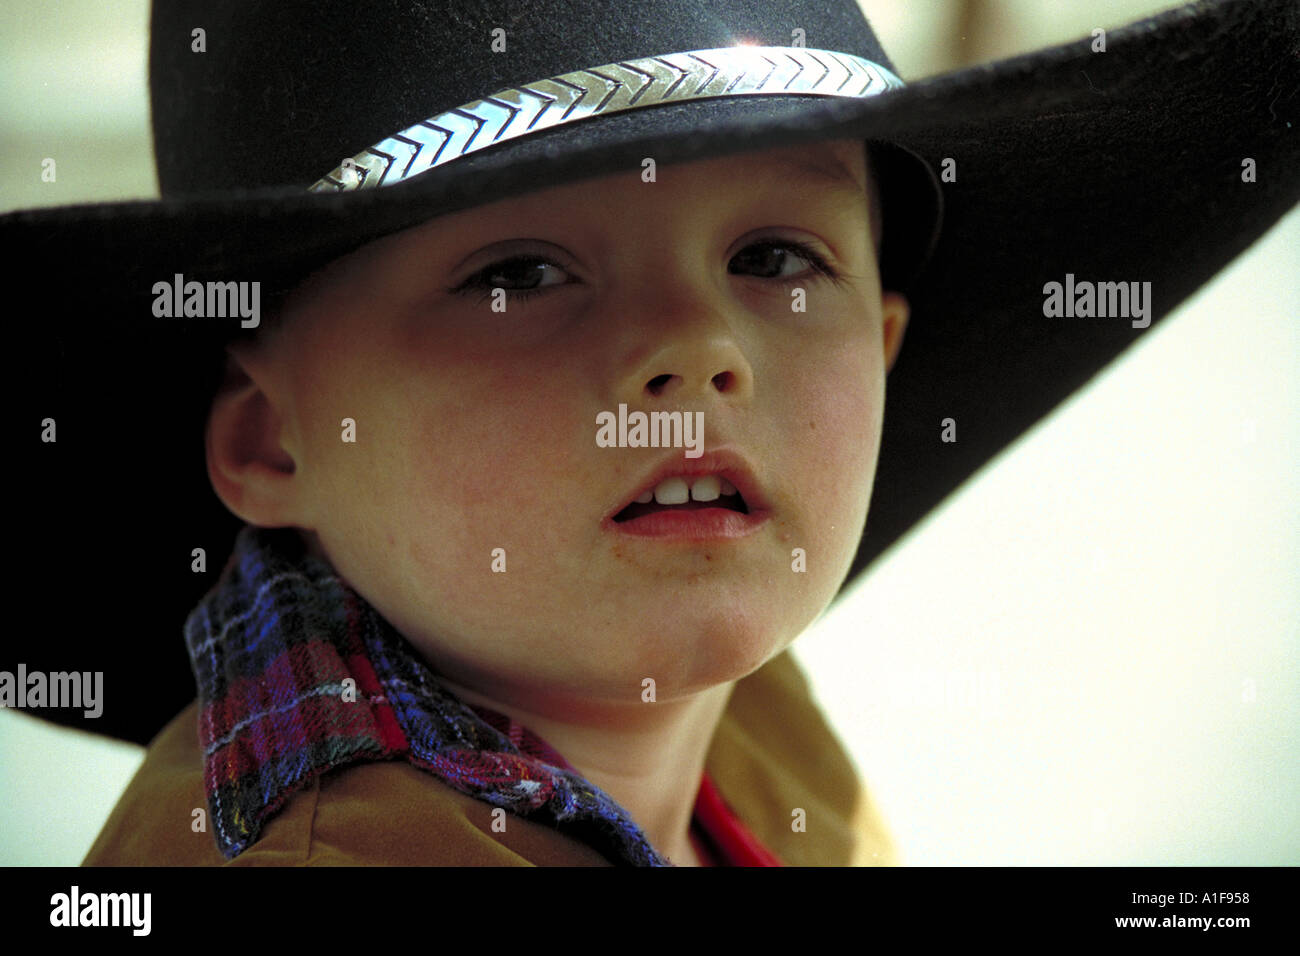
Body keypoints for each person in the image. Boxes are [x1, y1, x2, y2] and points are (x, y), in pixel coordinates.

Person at [5, 0, 1296, 866]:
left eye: (776, 255)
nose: (701, 349)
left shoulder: (746, 724)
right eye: (518, 275)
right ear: (272, 441)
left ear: (886, 350)